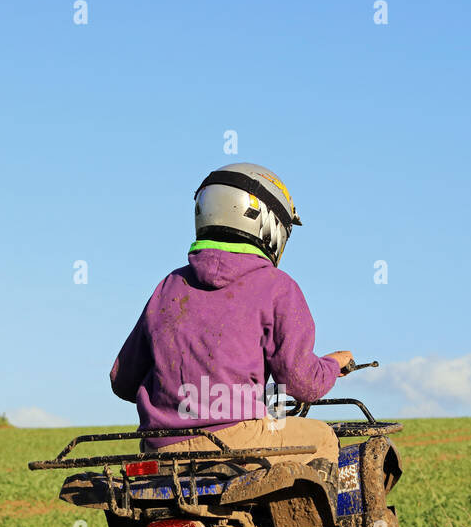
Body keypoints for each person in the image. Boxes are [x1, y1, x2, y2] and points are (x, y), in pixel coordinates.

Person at [110, 163, 349, 466]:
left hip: (161, 451)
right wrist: (331, 365)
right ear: (270, 224)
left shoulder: (169, 285)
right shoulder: (277, 287)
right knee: (322, 437)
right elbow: (302, 383)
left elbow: (122, 381)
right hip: (236, 441)